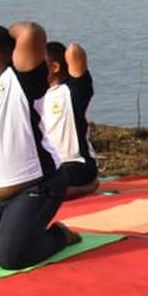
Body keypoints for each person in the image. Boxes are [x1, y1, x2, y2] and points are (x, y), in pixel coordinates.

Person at [0, 22, 80, 270]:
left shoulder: (23, 79)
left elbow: (30, 31)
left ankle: (60, 235)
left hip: (35, 186)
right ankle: (8, 232)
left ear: (8, 53)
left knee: (10, 258)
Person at [43, 41, 99, 198]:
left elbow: (74, 51)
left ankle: (88, 187)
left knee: (47, 189)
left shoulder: (73, 90)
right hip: (48, 164)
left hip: (77, 164)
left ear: (54, 67)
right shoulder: (37, 95)